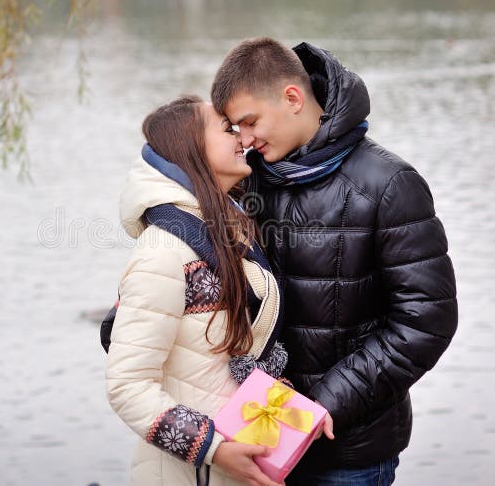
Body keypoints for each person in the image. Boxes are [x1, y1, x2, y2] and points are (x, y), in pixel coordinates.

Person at [210, 38, 458, 486]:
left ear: (292, 98)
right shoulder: (245, 179)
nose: (243, 139)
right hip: (251, 441)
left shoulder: (390, 184)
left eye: (249, 122)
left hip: (348, 451)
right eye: (235, 128)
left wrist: (323, 404)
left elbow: (426, 321)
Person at [106, 95, 334, 486]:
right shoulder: (162, 251)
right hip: (188, 475)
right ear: (191, 148)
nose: (243, 139)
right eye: (228, 129)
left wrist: (294, 413)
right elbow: (127, 385)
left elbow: (229, 361)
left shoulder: (230, 230)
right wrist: (215, 449)